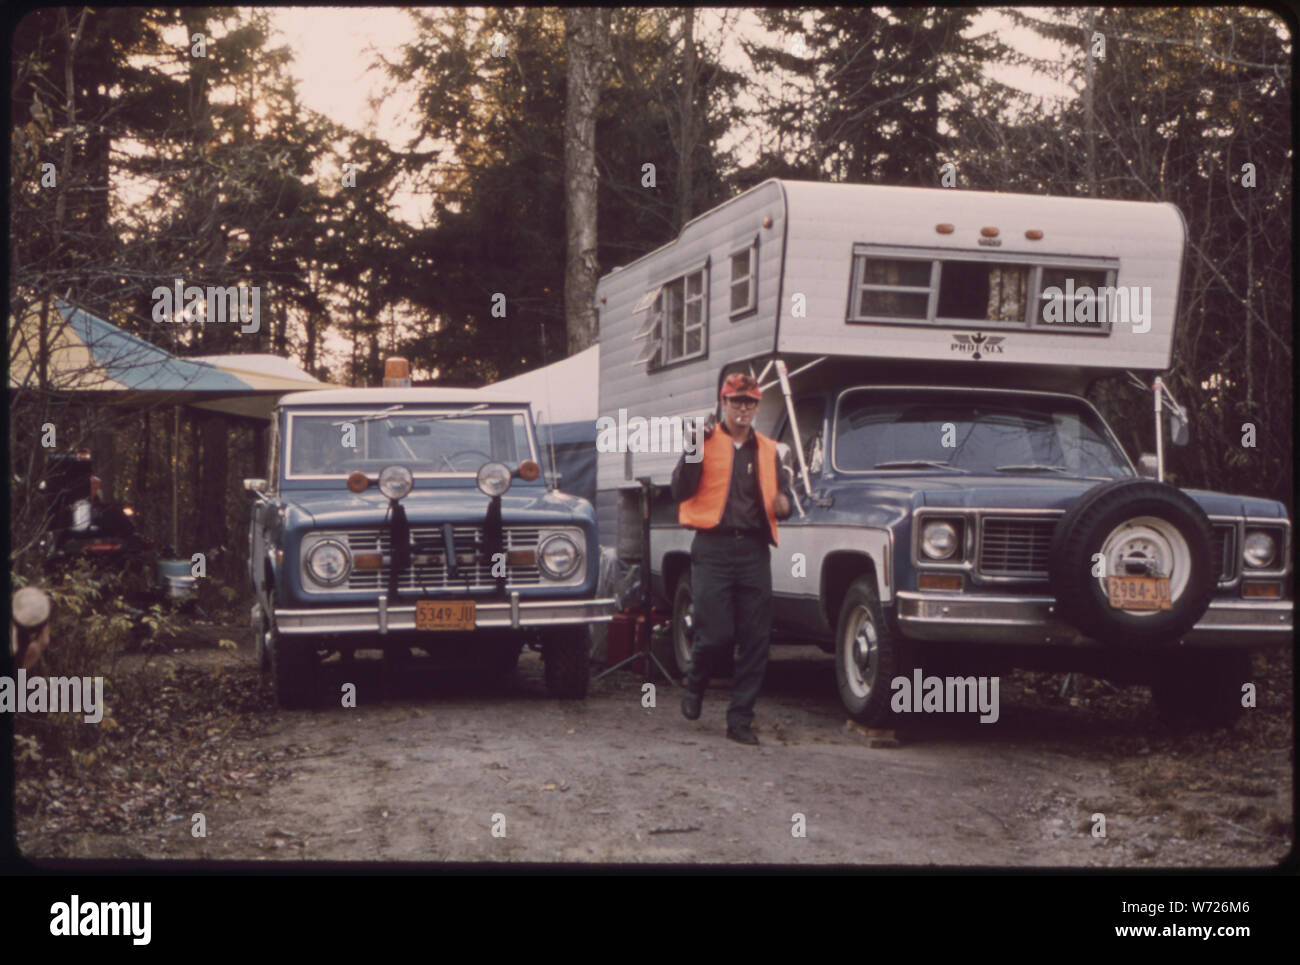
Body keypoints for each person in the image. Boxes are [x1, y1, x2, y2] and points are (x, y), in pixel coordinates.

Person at [671, 372, 792, 745]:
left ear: (757, 406)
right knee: (715, 633)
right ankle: (696, 684)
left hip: (754, 550)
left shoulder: (770, 451)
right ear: (723, 403)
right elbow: (679, 490)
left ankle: (740, 719)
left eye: (750, 402)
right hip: (713, 547)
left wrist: (783, 505)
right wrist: (694, 447)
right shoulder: (702, 441)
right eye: (736, 401)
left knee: (756, 639)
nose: (743, 408)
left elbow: (783, 499)